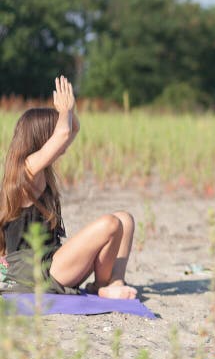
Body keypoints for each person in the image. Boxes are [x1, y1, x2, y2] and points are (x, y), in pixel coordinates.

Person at [0, 76, 137, 299]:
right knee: (110, 224)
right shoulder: (26, 170)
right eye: (52, 133)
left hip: (54, 263)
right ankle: (102, 285)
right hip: (36, 272)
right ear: (42, 137)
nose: (62, 141)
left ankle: (114, 281)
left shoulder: (40, 172)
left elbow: (71, 131)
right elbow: (63, 134)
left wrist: (69, 111)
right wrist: (64, 110)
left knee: (125, 219)